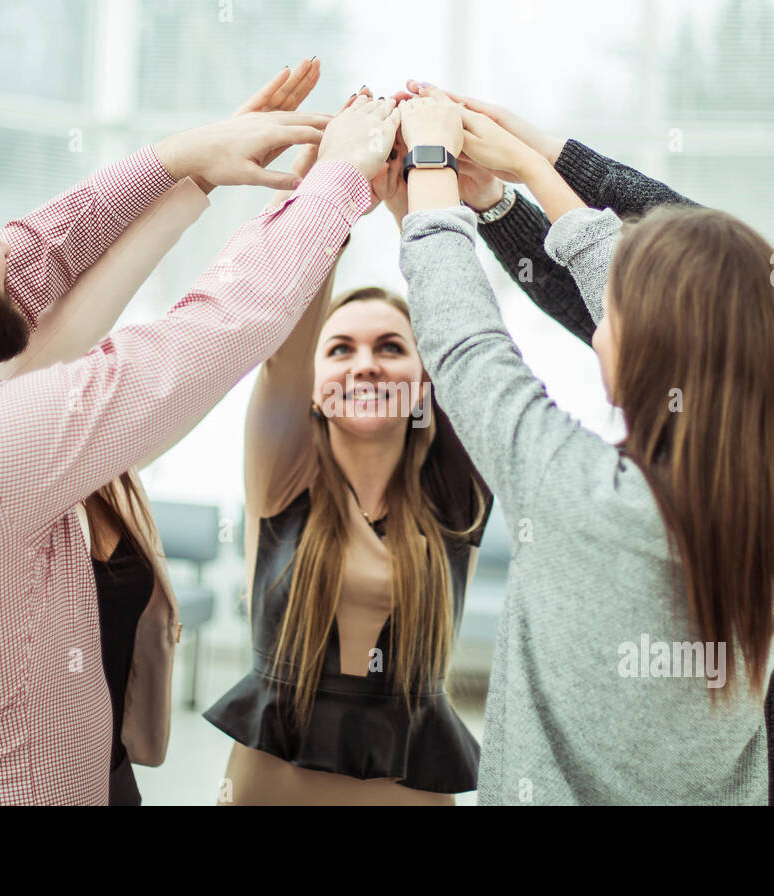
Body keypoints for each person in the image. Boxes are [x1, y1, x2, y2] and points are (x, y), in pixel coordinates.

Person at [0, 73, 400, 804]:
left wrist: (184, 158)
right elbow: (212, 331)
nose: (9, 248)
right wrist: (339, 181)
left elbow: (35, 260)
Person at [415, 80, 774, 806]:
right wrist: (497, 202)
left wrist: (545, 159)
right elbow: (642, 313)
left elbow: (712, 271)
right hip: (714, 771)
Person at [393, 88, 774, 804]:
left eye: (613, 316)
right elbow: (687, 326)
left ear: (646, 351)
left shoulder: (578, 493)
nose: (597, 327)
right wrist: (517, 182)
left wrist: (432, 165)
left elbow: (465, 344)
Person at [0, 62, 325, 807]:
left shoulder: (107, 464)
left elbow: (114, 319)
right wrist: (300, 203)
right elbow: (214, 329)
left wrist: (204, 175)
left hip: (109, 781)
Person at [203, 94, 493, 805]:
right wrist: (334, 199)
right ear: (316, 382)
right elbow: (283, 355)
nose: (364, 363)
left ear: (425, 377)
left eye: (391, 348)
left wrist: (413, 207)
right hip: (272, 783)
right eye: (342, 349)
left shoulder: (455, 496)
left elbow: (468, 342)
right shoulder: (283, 476)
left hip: (409, 783)